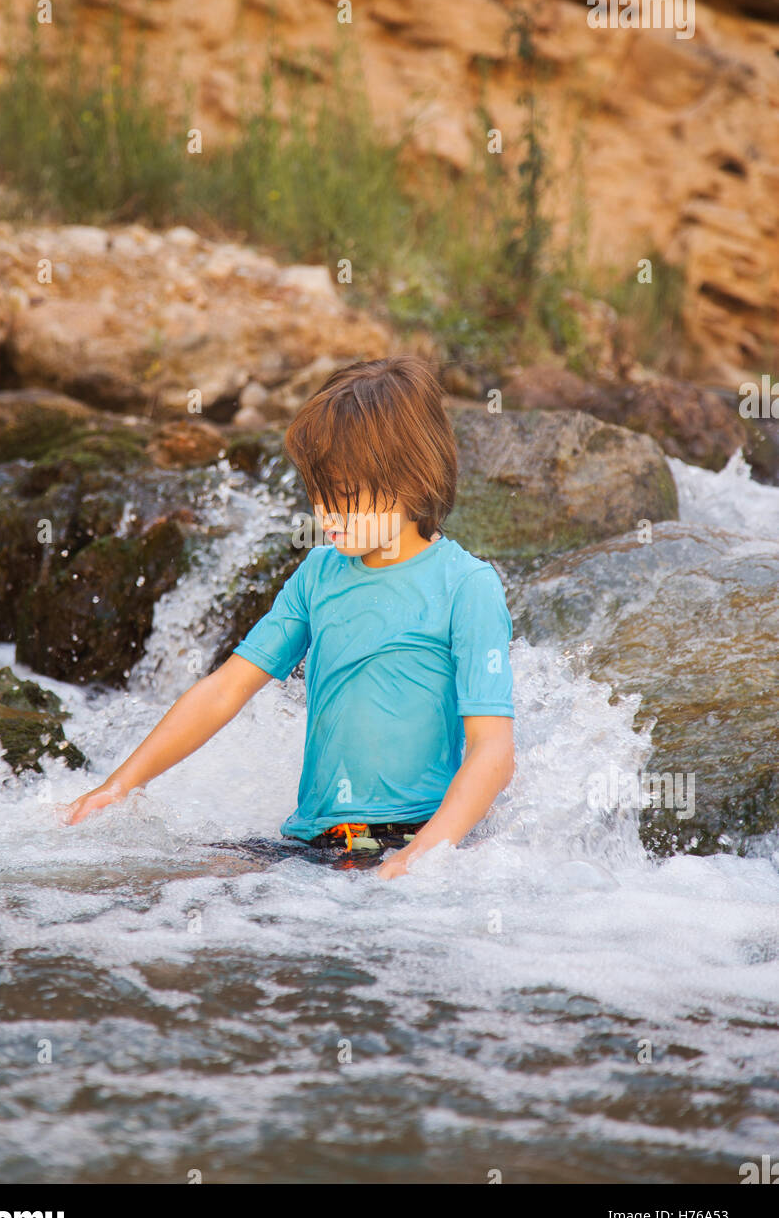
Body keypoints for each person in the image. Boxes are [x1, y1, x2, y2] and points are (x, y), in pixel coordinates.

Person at [65, 355, 515, 880]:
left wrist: (422, 856)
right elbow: (227, 688)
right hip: (314, 841)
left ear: (412, 480)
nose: (327, 516)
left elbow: (493, 752)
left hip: (405, 839)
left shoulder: (466, 585)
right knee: (153, 876)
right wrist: (120, 785)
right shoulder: (320, 573)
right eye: (319, 496)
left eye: (346, 498)